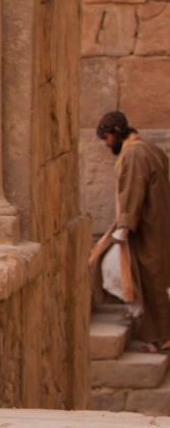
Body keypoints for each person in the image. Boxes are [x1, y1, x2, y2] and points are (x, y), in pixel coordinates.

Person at [90, 111, 170, 348]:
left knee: (151, 281)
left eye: (106, 138)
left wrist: (124, 225)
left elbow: (134, 189)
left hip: (146, 228)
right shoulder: (148, 148)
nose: (106, 144)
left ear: (114, 133)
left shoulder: (135, 153)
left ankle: (160, 337)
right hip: (154, 225)